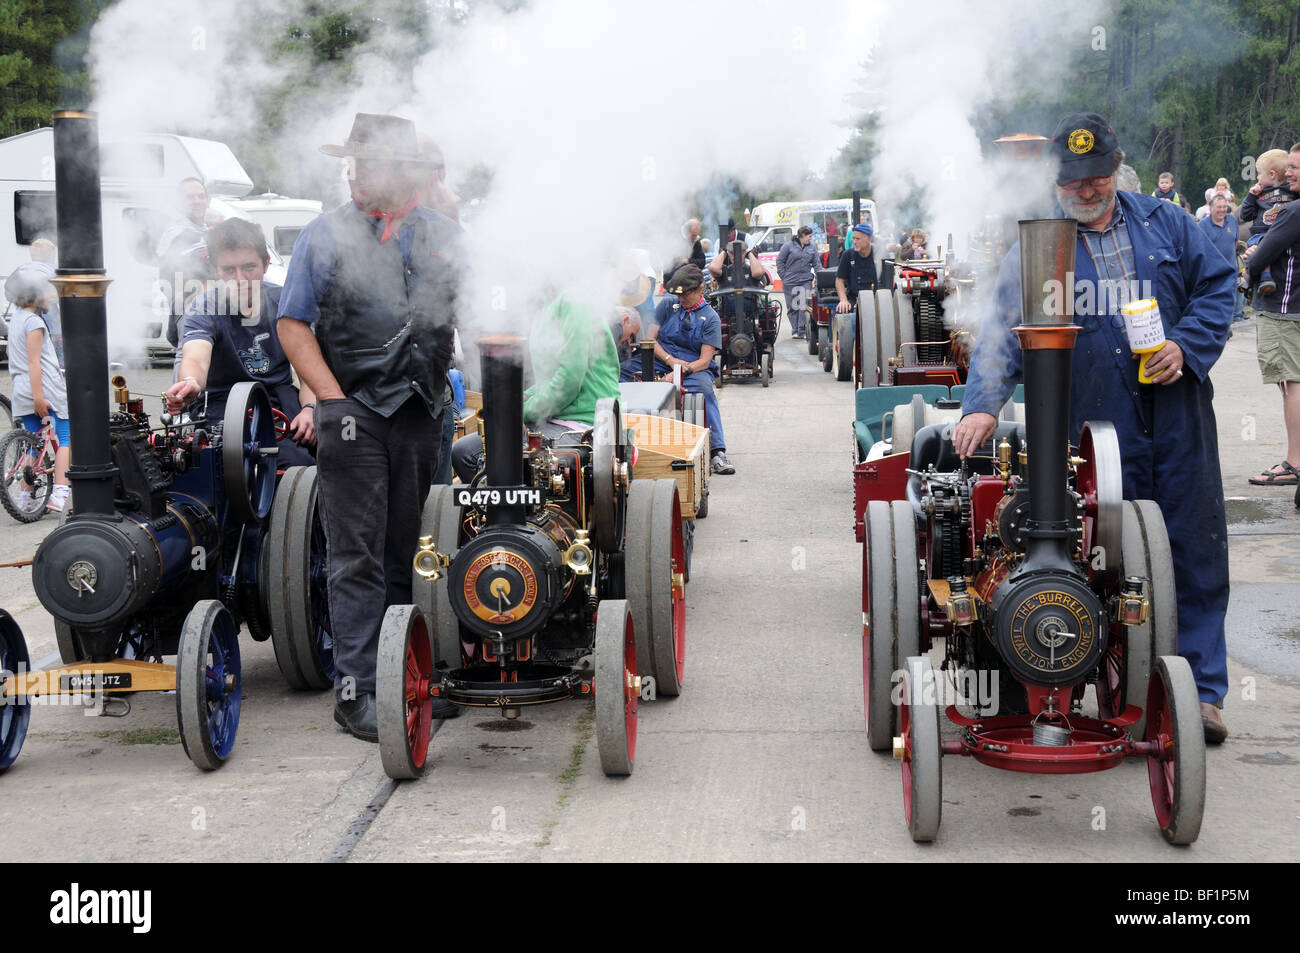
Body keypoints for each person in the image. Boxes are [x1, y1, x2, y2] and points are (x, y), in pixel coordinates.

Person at [953, 112, 1235, 744]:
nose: (1085, 191)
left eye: (1096, 178)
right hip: (1091, 431)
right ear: (1056, 182)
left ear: (1117, 167)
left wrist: (1186, 347)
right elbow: (1001, 334)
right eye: (1072, 181)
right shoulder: (1039, 247)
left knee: (1192, 548)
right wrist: (981, 405)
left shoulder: (1171, 225)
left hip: (1176, 415)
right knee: (1101, 559)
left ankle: (1202, 695)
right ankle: (1100, 675)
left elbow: (1220, 288)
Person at [277, 113, 463, 741]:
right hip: (354, 413)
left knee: (408, 553)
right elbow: (293, 326)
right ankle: (355, 692)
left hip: (422, 412)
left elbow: (477, 307)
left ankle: (407, 681)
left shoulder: (443, 233)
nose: (355, 173)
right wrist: (333, 403)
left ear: (405, 172)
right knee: (355, 557)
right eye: (351, 162)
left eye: (368, 162)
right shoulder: (323, 235)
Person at [163, 218, 316, 467]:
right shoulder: (205, 307)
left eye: (249, 267)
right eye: (229, 270)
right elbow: (194, 359)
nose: (240, 279)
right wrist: (190, 383)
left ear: (266, 264)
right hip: (221, 406)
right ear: (215, 270)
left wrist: (309, 409)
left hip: (278, 401)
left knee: (307, 461)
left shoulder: (285, 302)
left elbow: (308, 372)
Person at [451, 295, 621, 483]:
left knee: (517, 454)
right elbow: (548, 379)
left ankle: (527, 508)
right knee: (463, 451)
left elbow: (568, 382)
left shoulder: (576, 303)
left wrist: (519, 414)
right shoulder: (544, 306)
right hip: (549, 419)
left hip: (583, 422)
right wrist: (522, 397)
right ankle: (492, 509)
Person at [1243, 142, 1300, 490]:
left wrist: (1252, 254)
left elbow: (1256, 257)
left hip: (1284, 309)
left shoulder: (1293, 213)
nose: (1288, 173)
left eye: (1294, 167)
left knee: (1291, 384)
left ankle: (1294, 462)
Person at [650, 265, 733, 474]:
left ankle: (717, 451)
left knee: (705, 392)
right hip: (662, 359)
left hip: (693, 368)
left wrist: (677, 373)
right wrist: (670, 361)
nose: (682, 298)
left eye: (687, 293)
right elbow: (649, 339)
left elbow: (705, 361)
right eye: (679, 294)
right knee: (623, 375)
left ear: (701, 289)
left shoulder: (711, 318)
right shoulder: (669, 305)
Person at [3, 261, 71, 513]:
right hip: (44, 387)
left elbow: (13, 353)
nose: (53, 294)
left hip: (20, 387)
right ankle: (60, 494)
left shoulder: (17, 319)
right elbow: (35, 363)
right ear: (34, 294)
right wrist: (39, 397)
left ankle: (25, 498)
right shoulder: (35, 323)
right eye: (48, 289)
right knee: (65, 437)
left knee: (34, 443)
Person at [157, 177, 212, 348]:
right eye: (190, 197)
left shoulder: (208, 231)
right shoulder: (176, 234)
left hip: (215, 312)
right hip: (191, 312)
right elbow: (167, 279)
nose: (197, 201)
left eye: (201, 196)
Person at [1239, 148, 1297, 302]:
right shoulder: (1259, 193)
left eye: (1259, 173)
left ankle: (1250, 280)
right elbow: (1245, 215)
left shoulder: (1292, 190)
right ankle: (1257, 280)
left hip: (1280, 235)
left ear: (1272, 174)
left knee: (1263, 250)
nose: (1257, 177)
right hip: (1259, 234)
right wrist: (1251, 196)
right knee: (1255, 248)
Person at [1198, 194, 1243, 322]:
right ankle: (1215, 326)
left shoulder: (1232, 220)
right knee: (1213, 302)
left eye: (1224, 206)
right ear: (1211, 208)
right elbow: (1199, 249)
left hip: (1230, 270)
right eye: (1219, 207)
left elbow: (1235, 242)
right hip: (1212, 272)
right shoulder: (1203, 225)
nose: (1222, 210)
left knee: (1229, 301)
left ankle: (1226, 326)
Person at [776, 225, 818, 339]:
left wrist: (820, 276)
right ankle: (795, 329)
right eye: (809, 236)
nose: (810, 238)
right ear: (802, 235)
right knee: (793, 306)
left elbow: (817, 264)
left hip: (806, 280)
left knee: (803, 304)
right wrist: (784, 276)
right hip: (790, 281)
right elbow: (780, 261)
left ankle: (802, 330)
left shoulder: (812, 247)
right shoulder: (788, 246)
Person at [835, 223, 878, 314]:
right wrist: (843, 300)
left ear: (869, 239)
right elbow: (839, 280)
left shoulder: (879, 254)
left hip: (877, 299)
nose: (854, 242)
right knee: (842, 310)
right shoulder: (848, 255)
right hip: (854, 299)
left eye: (858, 239)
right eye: (853, 238)